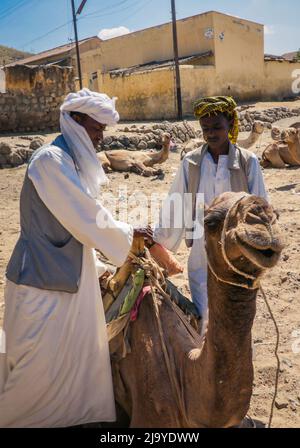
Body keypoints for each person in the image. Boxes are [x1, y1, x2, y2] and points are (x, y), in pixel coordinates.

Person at [0, 88, 152, 428]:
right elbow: (86, 217)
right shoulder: (49, 162)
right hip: (39, 283)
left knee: (69, 364)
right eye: (96, 129)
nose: (100, 138)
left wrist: (99, 265)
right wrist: (129, 234)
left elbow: (74, 231)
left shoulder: (68, 161)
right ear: (76, 121)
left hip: (69, 278)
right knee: (33, 370)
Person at [154, 96, 268, 331]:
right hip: (201, 250)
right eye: (206, 129)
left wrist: (259, 246)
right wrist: (157, 243)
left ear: (230, 125)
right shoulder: (191, 162)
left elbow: (260, 208)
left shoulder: (248, 162)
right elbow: (176, 204)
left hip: (238, 254)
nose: (211, 134)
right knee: (207, 320)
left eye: (217, 127)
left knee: (237, 320)